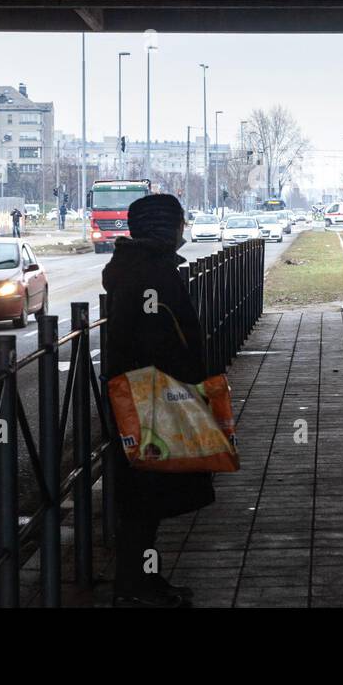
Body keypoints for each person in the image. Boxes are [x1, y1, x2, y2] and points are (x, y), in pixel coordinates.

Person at [101, 193, 213, 607]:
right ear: (165, 228)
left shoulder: (142, 266)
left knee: (148, 499)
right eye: (179, 221)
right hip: (149, 399)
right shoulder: (148, 273)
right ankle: (135, 586)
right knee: (144, 502)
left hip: (147, 393)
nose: (183, 228)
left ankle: (145, 580)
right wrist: (183, 386)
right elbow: (156, 336)